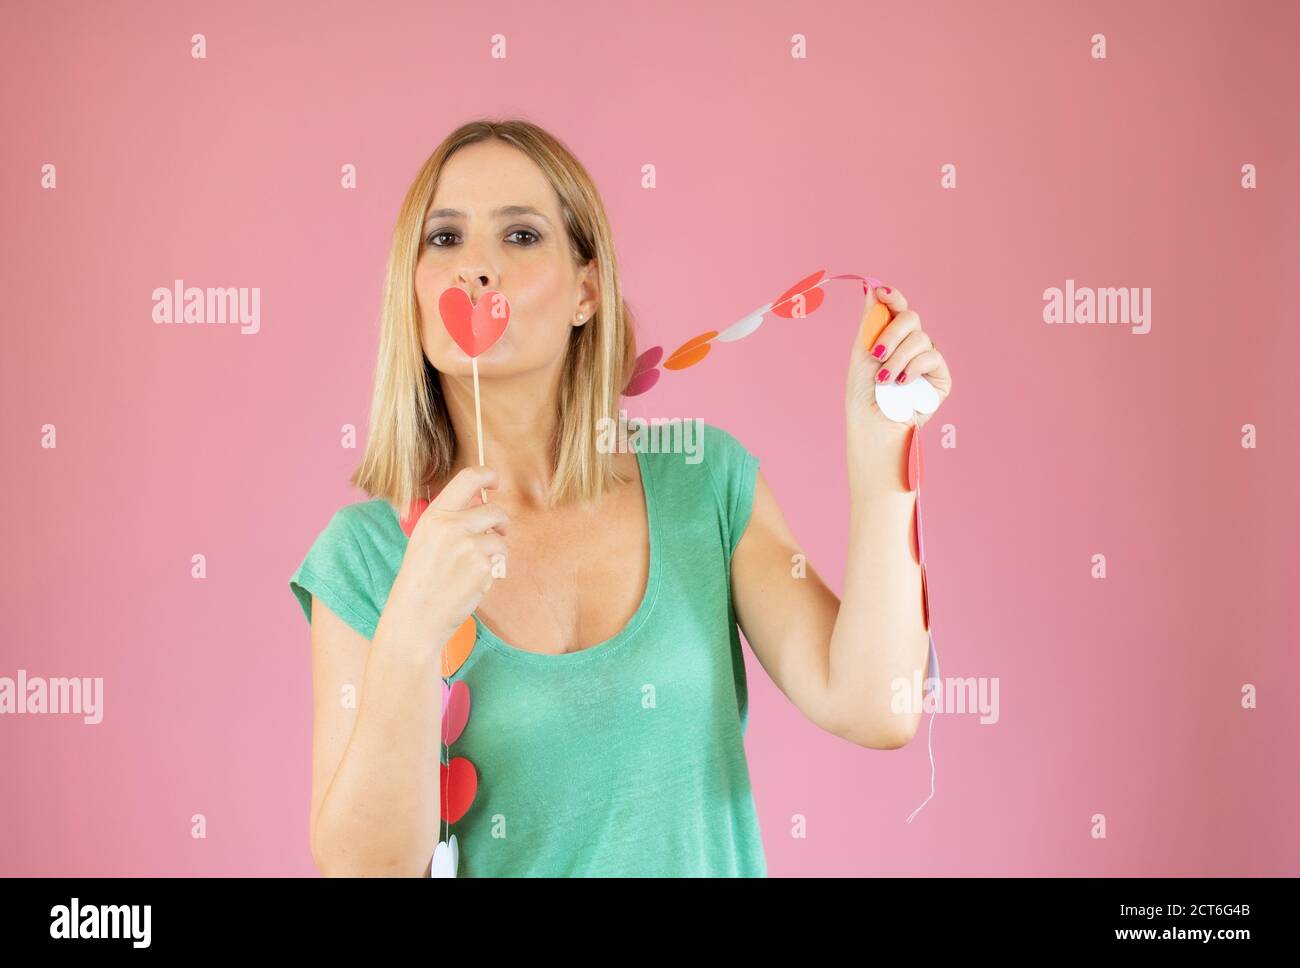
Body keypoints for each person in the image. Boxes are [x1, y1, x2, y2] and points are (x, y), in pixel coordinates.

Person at [288, 118, 953, 877]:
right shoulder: (363, 559)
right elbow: (365, 870)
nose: (476, 267)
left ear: (586, 291)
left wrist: (879, 447)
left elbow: (878, 704)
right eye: (444, 239)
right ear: (412, 288)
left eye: (521, 236)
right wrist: (410, 629)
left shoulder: (704, 480)